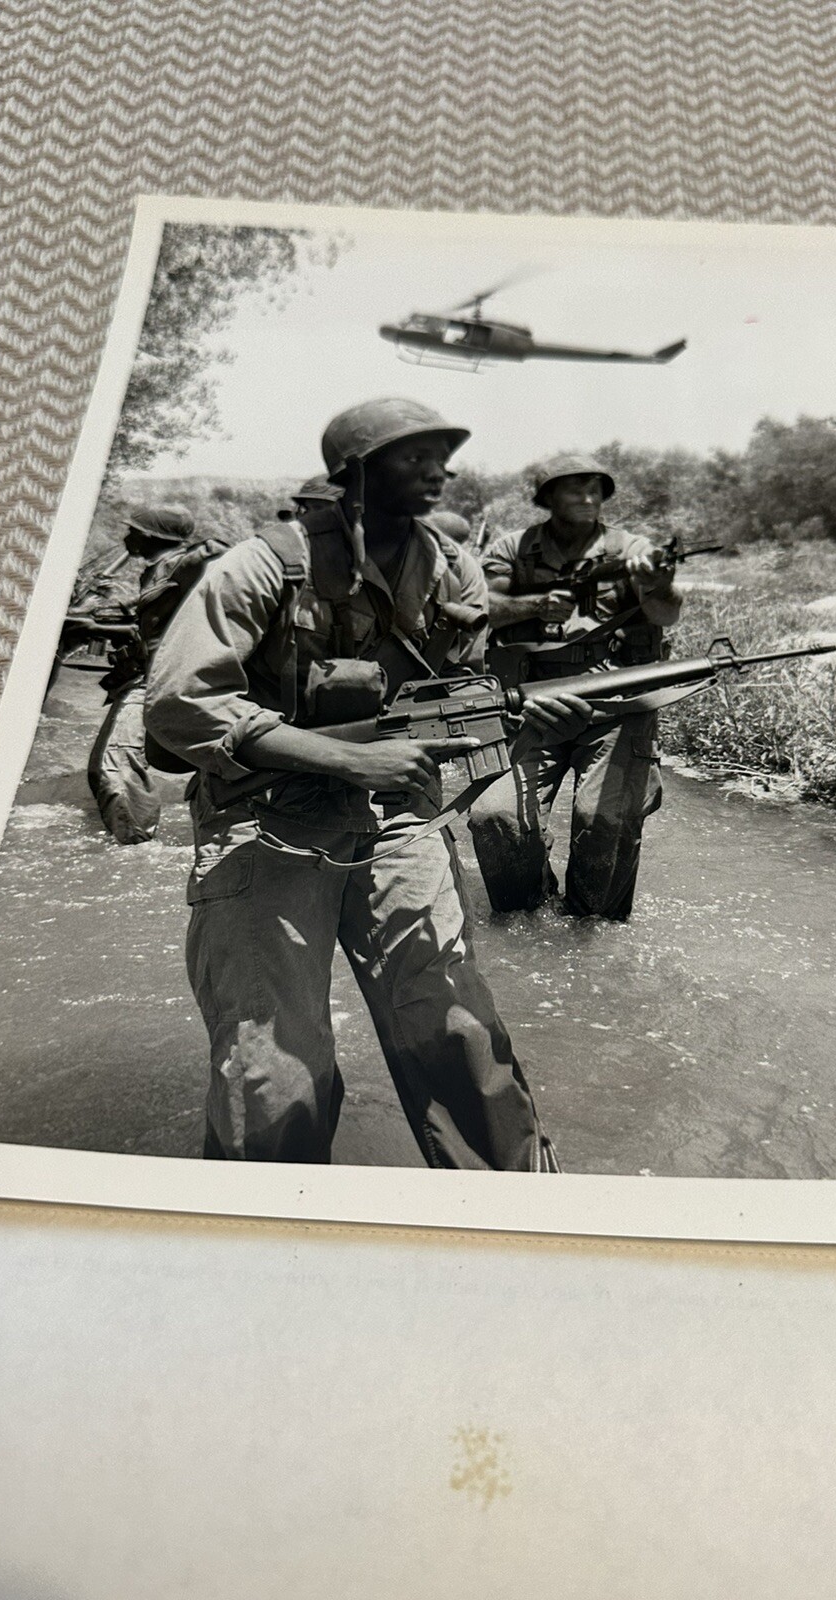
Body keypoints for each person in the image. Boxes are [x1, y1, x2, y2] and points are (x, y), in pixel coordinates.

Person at [145, 398, 582, 1168]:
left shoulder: (454, 569)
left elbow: (458, 699)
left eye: (443, 456)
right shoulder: (263, 565)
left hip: (399, 821)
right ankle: (265, 1244)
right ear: (355, 472)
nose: (437, 472)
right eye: (414, 457)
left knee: (459, 1033)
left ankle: (523, 1222)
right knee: (272, 1070)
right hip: (264, 823)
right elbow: (181, 705)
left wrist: (517, 725)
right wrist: (345, 758)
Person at [468, 454, 684, 921]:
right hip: (527, 706)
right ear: (547, 498)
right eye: (574, 489)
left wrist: (656, 584)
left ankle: (594, 930)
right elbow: (481, 605)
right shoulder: (514, 548)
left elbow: (666, 614)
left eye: (595, 490)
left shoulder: (632, 549)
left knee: (603, 820)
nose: (588, 499)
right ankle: (526, 917)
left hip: (616, 706)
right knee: (494, 817)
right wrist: (535, 606)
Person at [86, 504, 229, 844]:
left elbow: (218, 553)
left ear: (150, 536)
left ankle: (132, 846)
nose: (125, 537)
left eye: (132, 531)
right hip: (152, 678)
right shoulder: (155, 570)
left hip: (163, 681)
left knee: (114, 763)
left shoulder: (178, 565)